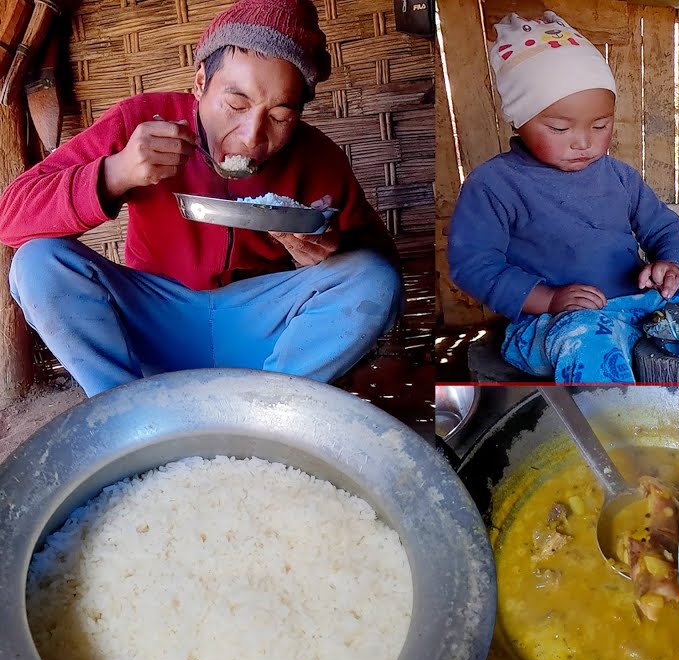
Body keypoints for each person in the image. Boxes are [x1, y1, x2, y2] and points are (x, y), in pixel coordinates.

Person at [0, 0, 402, 397]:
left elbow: (381, 268)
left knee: (373, 277)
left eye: (280, 116)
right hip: (154, 328)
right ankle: (125, 410)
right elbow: (9, 218)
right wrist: (114, 173)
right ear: (199, 84)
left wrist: (331, 249)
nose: (252, 135)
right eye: (236, 104)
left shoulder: (319, 159)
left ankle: (270, 409)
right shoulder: (143, 120)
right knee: (36, 262)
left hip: (261, 336)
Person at [446, 11, 679, 383]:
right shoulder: (494, 184)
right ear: (519, 120)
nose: (583, 141)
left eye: (600, 125)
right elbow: (472, 264)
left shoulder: (619, 176)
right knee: (588, 341)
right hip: (555, 324)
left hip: (641, 307)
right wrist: (549, 299)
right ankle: (623, 423)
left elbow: (663, 227)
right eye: (559, 127)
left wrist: (673, 264)